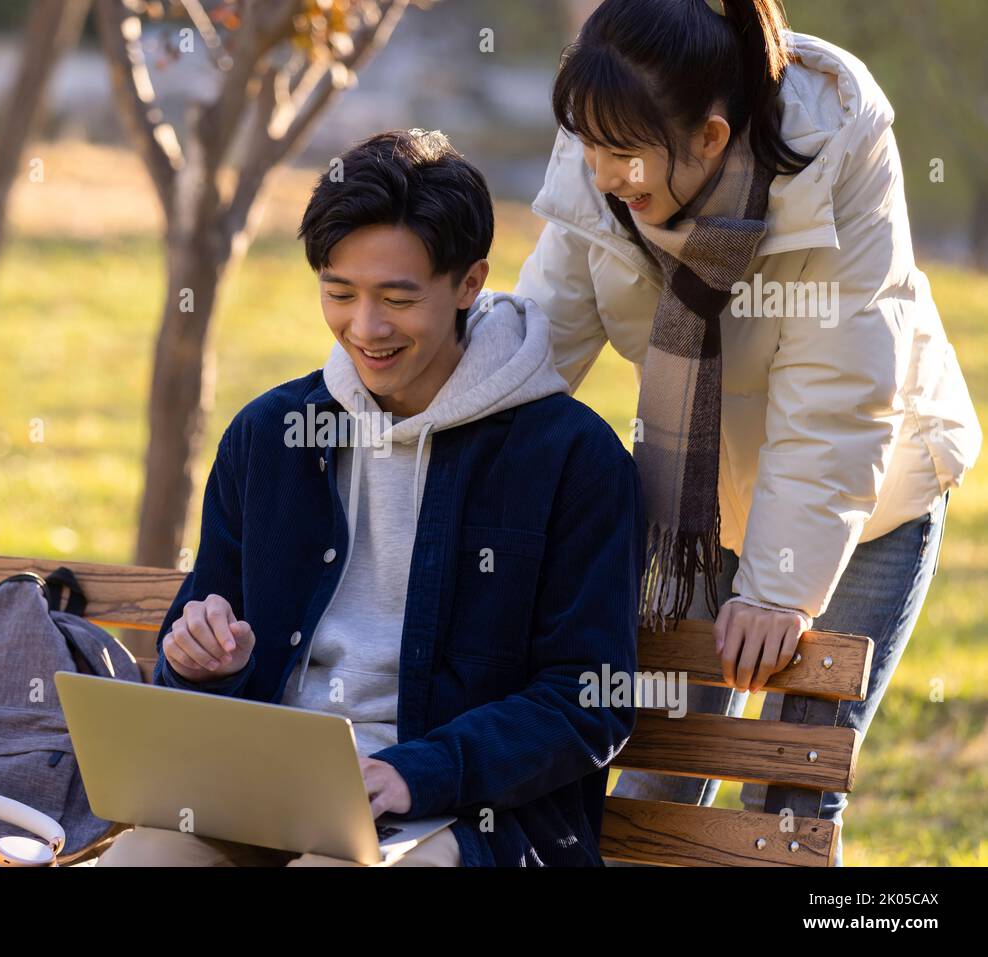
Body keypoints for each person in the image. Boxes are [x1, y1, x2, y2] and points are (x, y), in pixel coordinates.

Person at [512, 0, 981, 865]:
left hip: (867, 500)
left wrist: (778, 591)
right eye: (589, 146)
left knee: (787, 795)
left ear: (713, 138)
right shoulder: (602, 151)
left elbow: (838, 393)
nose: (602, 172)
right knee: (655, 772)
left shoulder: (840, 149)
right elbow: (540, 336)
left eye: (623, 156)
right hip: (698, 505)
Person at [98, 128, 646, 867]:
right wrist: (200, 661)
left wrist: (412, 773)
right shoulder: (269, 436)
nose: (367, 327)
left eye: (398, 297)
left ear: (469, 282)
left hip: (469, 818)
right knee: (142, 860)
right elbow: (208, 639)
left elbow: (589, 699)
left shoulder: (571, 459)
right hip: (269, 794)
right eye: (339, 293)